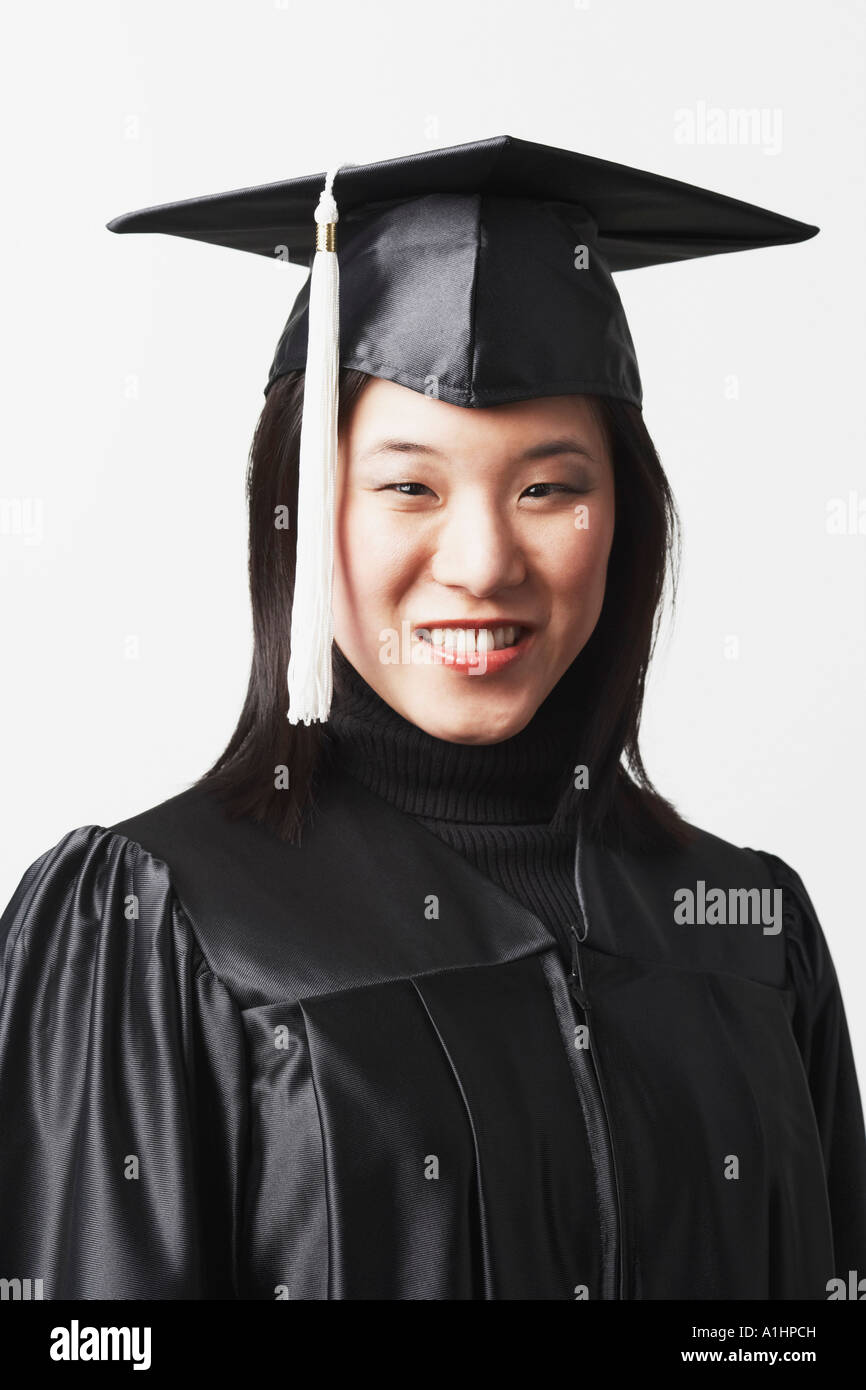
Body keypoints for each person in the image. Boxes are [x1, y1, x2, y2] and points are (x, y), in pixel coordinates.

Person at [1, 135, 864, 1300]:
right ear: (299, 508)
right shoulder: (157, 927)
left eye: (547, 487)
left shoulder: (746, 929)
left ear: (623, 517)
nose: (482, 561)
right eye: (408, 485)